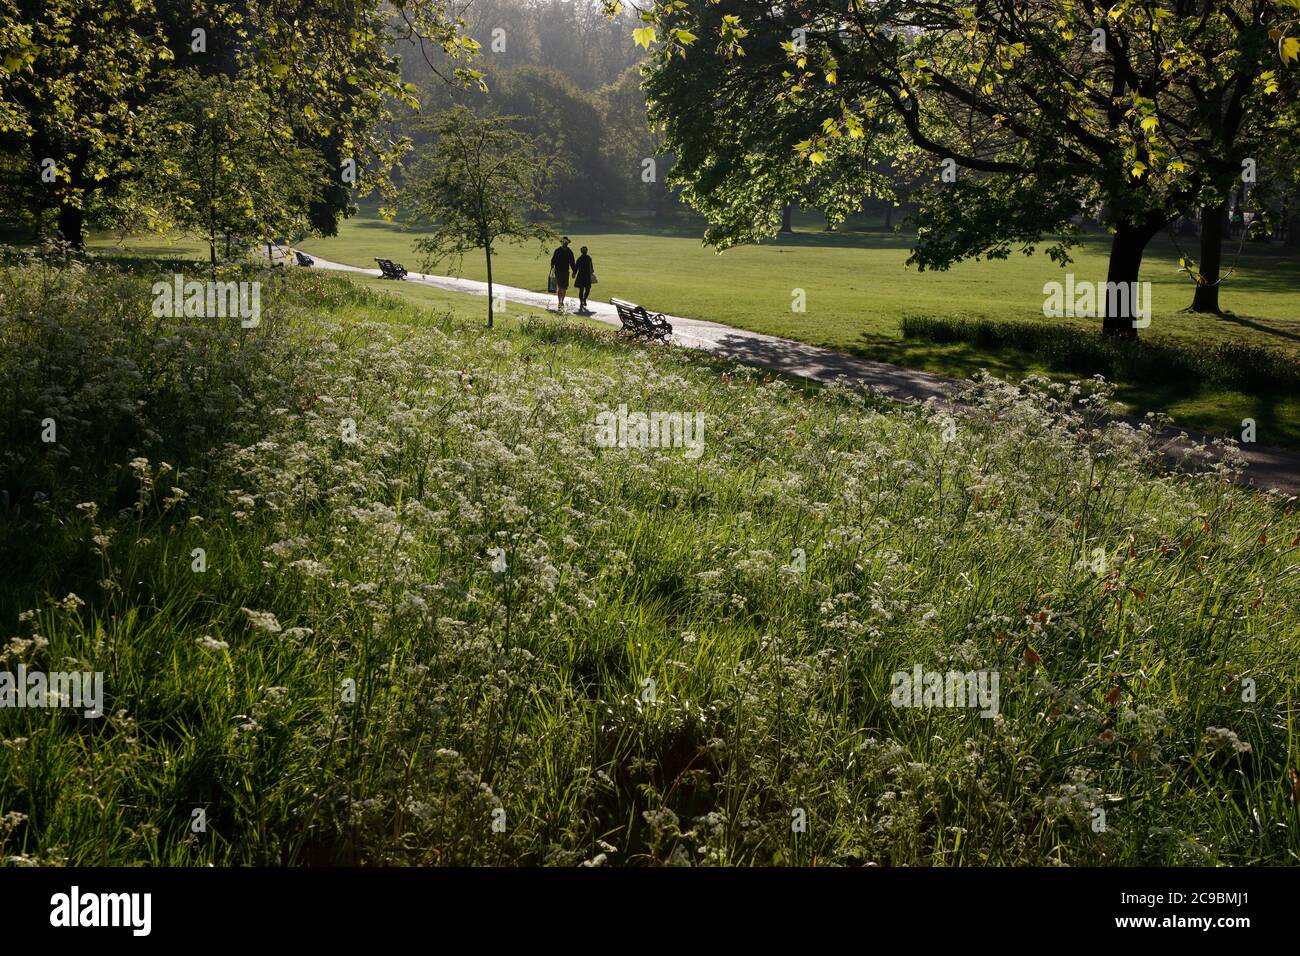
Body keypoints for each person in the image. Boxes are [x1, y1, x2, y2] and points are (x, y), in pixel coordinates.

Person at [550, 236, 576, 313]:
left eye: (566, 242)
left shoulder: (569, 252)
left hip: (566, 271)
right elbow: (553, 260)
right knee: (560, 287)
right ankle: (559, 302)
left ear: (567, 243)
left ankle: (562, 301)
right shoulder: (557, 251)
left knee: (564, 287)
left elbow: (572, 263)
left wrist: (574, 272)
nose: (565, 243)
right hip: (558, 271)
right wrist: (552, 265)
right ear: (562, 242)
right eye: (564, 242)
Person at [573, 246, 594, 313]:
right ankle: (582, 301)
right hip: (584, 276)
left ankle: (583, 300)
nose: (585, 251)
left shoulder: (586, 258)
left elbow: (591, 266)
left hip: (583, 276)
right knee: (584, 289)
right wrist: (574, 273)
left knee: (584, 290)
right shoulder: (584, 258)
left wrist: (574, 273)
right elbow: (576, 267)